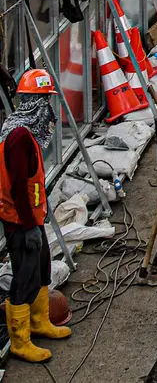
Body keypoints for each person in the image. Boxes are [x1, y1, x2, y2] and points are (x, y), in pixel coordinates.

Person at [1, 69, 71, 362]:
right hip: (20, 221)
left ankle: (40, 322)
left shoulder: (26, 131)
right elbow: (17, 186)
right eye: (45, 100)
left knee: (41, 268)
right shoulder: (19, 136)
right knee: (24, 277)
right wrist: (29, 227)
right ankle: (20, 340)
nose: (49, 107)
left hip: (31, 217)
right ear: (35, 102)